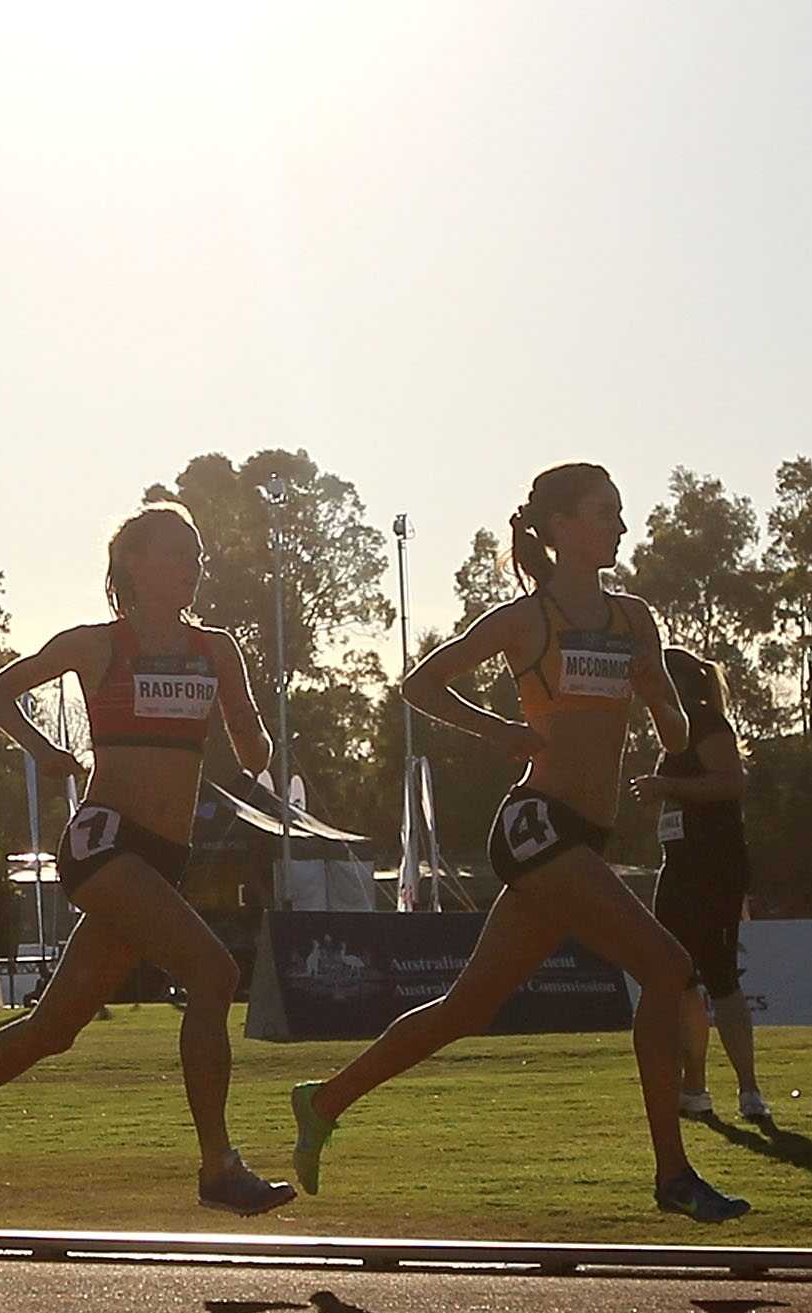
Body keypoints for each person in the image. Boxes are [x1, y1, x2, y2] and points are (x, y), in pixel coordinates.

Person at [288, 463, 748, 1222]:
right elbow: (421, 685)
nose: (621, 528)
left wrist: (661, 690)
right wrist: (498, 729)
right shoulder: (525, 622)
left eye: (621, 513)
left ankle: (325, 1100)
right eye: (606, 514)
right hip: (535, 825)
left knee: (465, 1008)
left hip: (583, 838)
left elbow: (674, 738)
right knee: (669, 966)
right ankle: (674, 1174)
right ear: (561, 527)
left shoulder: (635, 618)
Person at [0, 499, 296, 1216]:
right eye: (177, 553)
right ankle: (218, 1165)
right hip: (104, 841)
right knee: (214, 972)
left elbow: (252, 744)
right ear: (133, 564)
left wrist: (255, 738)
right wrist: (45, 751)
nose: (192, 568)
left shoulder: (217, 650)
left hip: (161, 858)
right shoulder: (97, 645)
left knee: (55, 1028)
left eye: (197, 556)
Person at [636, 647, 768, 1125]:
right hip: (680, 866)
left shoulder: (707, 723)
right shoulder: (672, 736)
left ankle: (749, 1089)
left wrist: (667, 788)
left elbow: (731, 783)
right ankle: (694, 1086)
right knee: (678, 976)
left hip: (715, 869)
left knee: (720, 977)